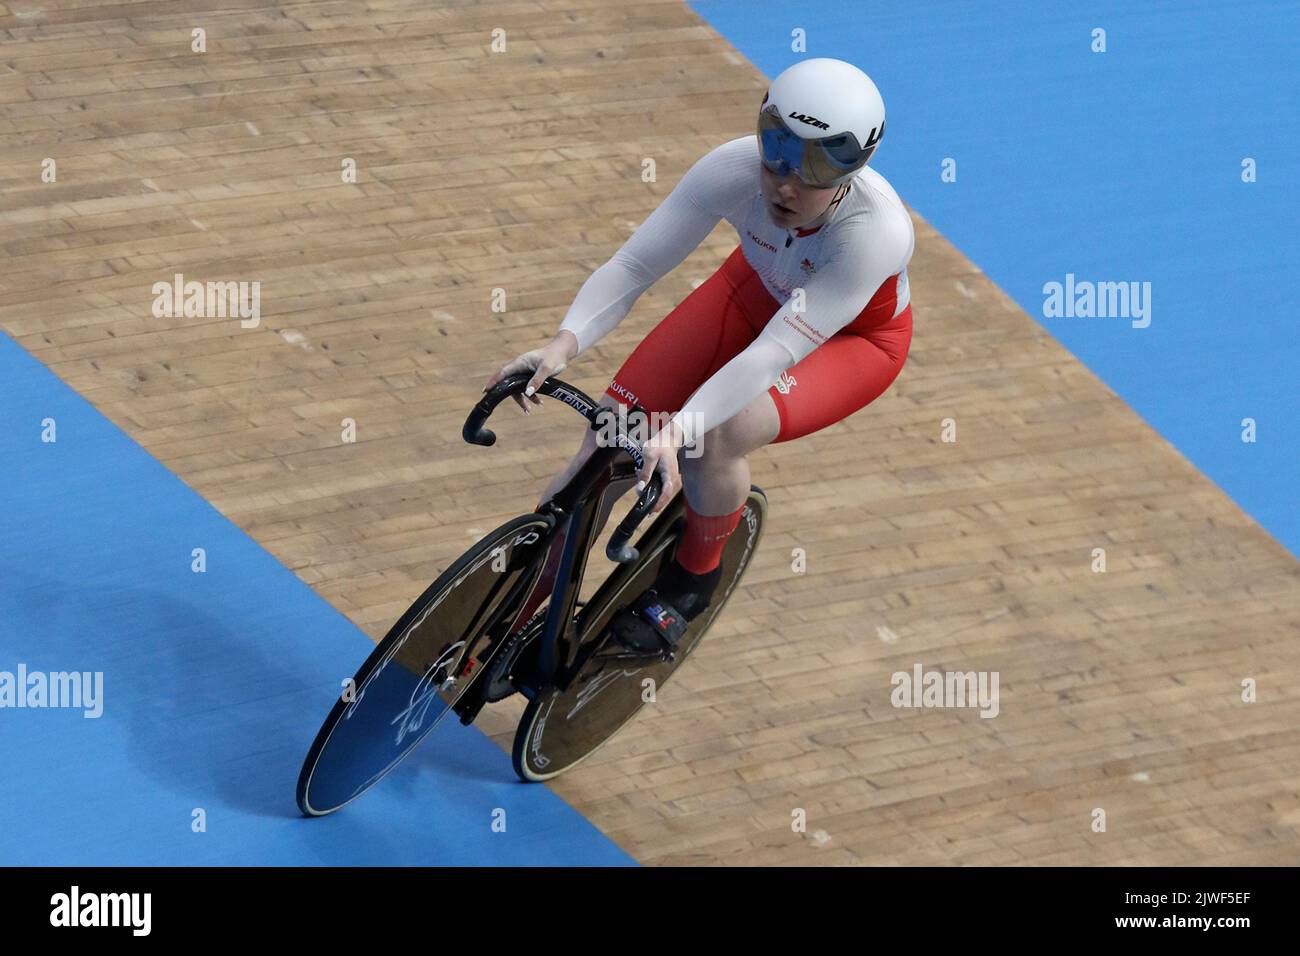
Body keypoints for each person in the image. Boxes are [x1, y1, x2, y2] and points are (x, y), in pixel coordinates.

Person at [484, 57, 915, 655]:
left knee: (714, 435)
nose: (787, 182)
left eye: (817, 165)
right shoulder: (732, 167)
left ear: (856, 166)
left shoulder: (877, 232)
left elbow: (771, 355)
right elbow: (636, 266)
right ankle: (514, 606)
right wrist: (564, 343)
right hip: (753, 292)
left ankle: (693, 579)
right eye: (779, 150)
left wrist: (680, 428)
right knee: (608, 440)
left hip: (854, 341)